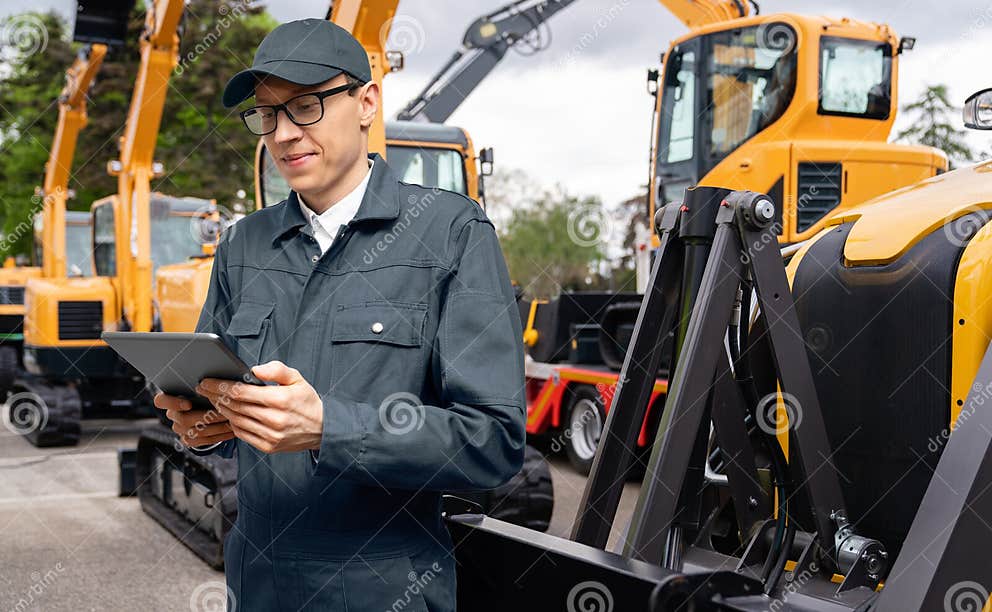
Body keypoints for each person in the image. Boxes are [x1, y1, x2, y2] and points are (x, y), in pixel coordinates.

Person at [153, 18, 526, 612]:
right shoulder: (242, 245)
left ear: (366, 103)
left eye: (305, 106)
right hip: (257, 583)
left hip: (387, 586)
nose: (282, 134)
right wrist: (202, 426)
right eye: (267, 114)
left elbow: (493, 442)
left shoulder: (451, 234)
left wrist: (331, 428)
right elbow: (220, 405)